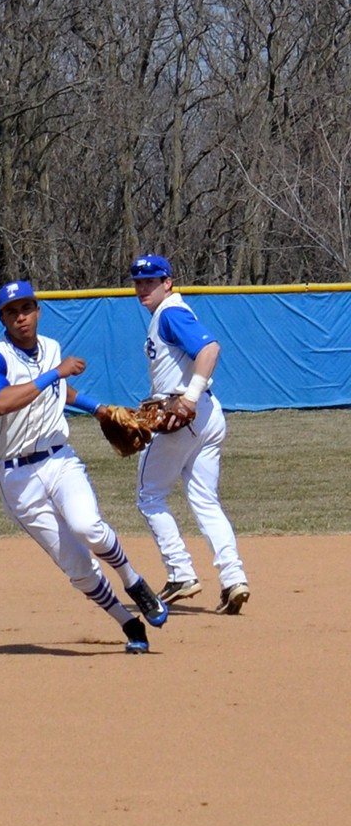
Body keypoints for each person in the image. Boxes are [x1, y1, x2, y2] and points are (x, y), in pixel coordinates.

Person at [0, 280, 169, 653]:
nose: (20, 317)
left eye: (26, 308)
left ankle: (133, 581)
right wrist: (56, 373)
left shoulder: (50, 348)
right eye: (11, 312)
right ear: (2, 319)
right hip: (17, 477)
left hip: (59, 459)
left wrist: (97, 408)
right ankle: (127, 622)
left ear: (38, 311)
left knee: (87, 526)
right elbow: (0, 401)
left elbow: (58, 391)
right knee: (76, 565)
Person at [128, 253, 249, 613]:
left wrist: (189, 397)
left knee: (149, 496)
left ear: (167, 283)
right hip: (207, 417)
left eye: (151, 281)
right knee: (205, 500)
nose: (143, 288)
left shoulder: (170, 313)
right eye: (138, 282)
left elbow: (210, 349)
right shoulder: (167, 314)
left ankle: (180, 573)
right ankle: (234, 579)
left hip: (182, 416)